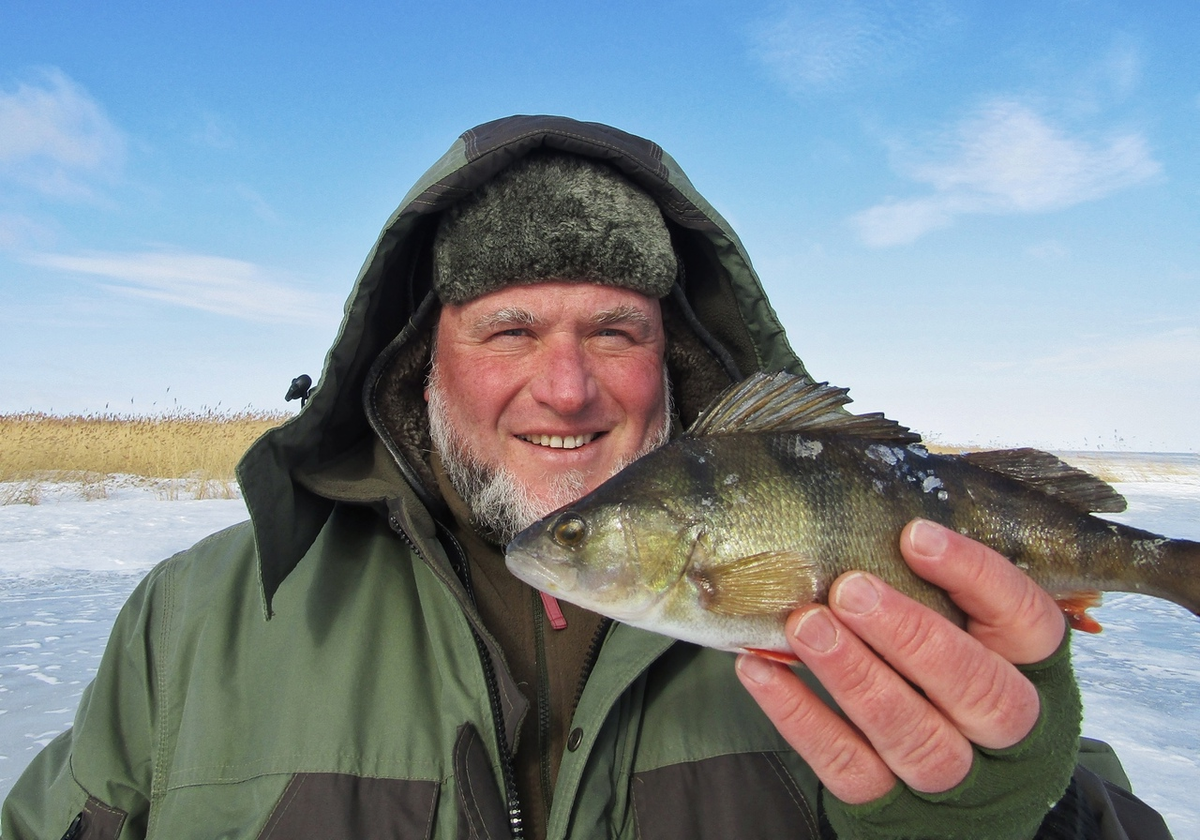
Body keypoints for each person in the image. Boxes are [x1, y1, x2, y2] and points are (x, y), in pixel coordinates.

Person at [1, 116, 1173, 840]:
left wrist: (1008, 807)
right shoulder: (193, 624)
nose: (566, 390)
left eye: (614, 331)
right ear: (421, 363)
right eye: (510, 331)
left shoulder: (920, 618)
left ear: (674, 356)